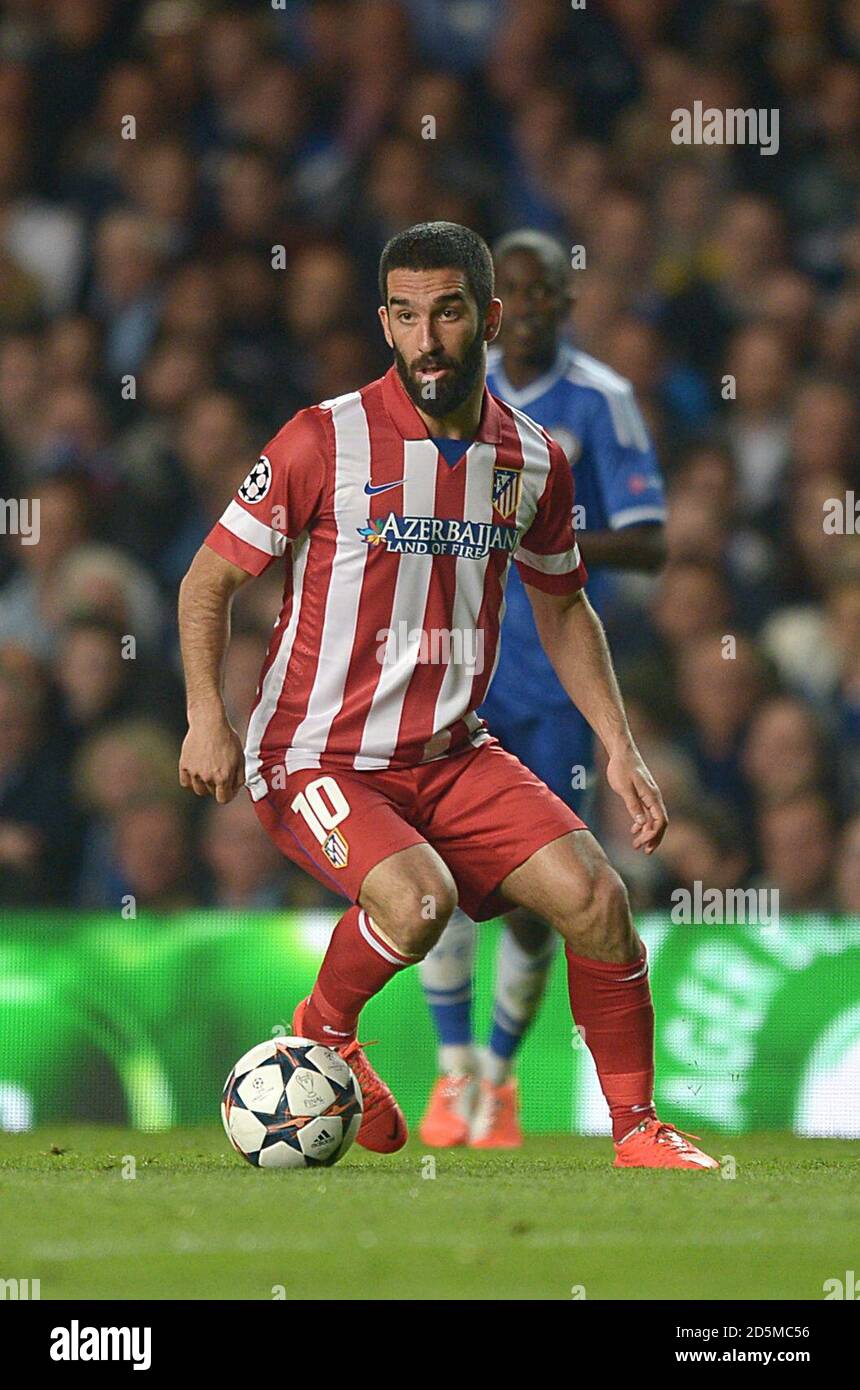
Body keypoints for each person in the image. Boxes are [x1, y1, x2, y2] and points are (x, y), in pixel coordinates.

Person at [177, 220, 716, 1171]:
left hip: (449, 753)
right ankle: (328, 1030)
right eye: (407, 315)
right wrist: (205, 717)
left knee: (596, 898)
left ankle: (639, 1132)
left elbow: (564, 605)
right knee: (419, 902)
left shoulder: (534, 459)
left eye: (450, 313)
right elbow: (208, 581)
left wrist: (620, 746)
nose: (428, 339)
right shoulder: (322, 439)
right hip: (313, 754)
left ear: (489, 319)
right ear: (385, 323)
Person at [419, 229, 666, 1148]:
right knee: (440, 875)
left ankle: (496, 1076)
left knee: (538, 895)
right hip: (451, 673)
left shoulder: (601, 402)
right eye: (507, 294)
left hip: (554, 688)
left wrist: (533, 535)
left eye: (539, 292)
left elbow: (648, 537)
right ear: (488, 311)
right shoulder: (445, 401)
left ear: (565, 301)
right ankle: (452, 1078)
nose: (522, 308)